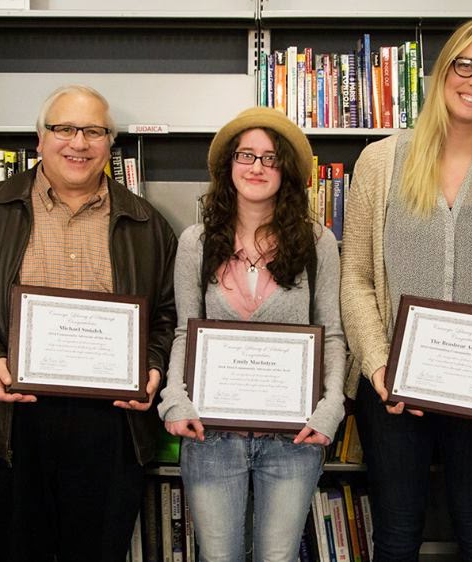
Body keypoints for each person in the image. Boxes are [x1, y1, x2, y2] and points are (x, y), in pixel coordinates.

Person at [0, 85, 178, 562]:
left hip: (111, 427)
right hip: (11, 423)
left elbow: (167, 317)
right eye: (64, 129)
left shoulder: (147, 225)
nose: (79, 142)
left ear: (109, 143)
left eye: (94, 131)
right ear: (40, 139)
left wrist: (154, 366)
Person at [341, 18, 472, 562]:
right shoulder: (380, 161)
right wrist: (378, 365)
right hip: (391, 387)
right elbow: (356, 275)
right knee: (397, 536)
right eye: (466, 64)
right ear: (443, 72)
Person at [158, 106, 346, 562]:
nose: (257, 167)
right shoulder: (196, 242)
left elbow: (333, 336)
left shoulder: (317, 243)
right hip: (211, 437)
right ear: (229, 165)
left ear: (287, 170)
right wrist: (175, 398)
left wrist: (331, 407)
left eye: (270, 158)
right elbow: (185, 331)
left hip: (293, 440)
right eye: (246, 155)